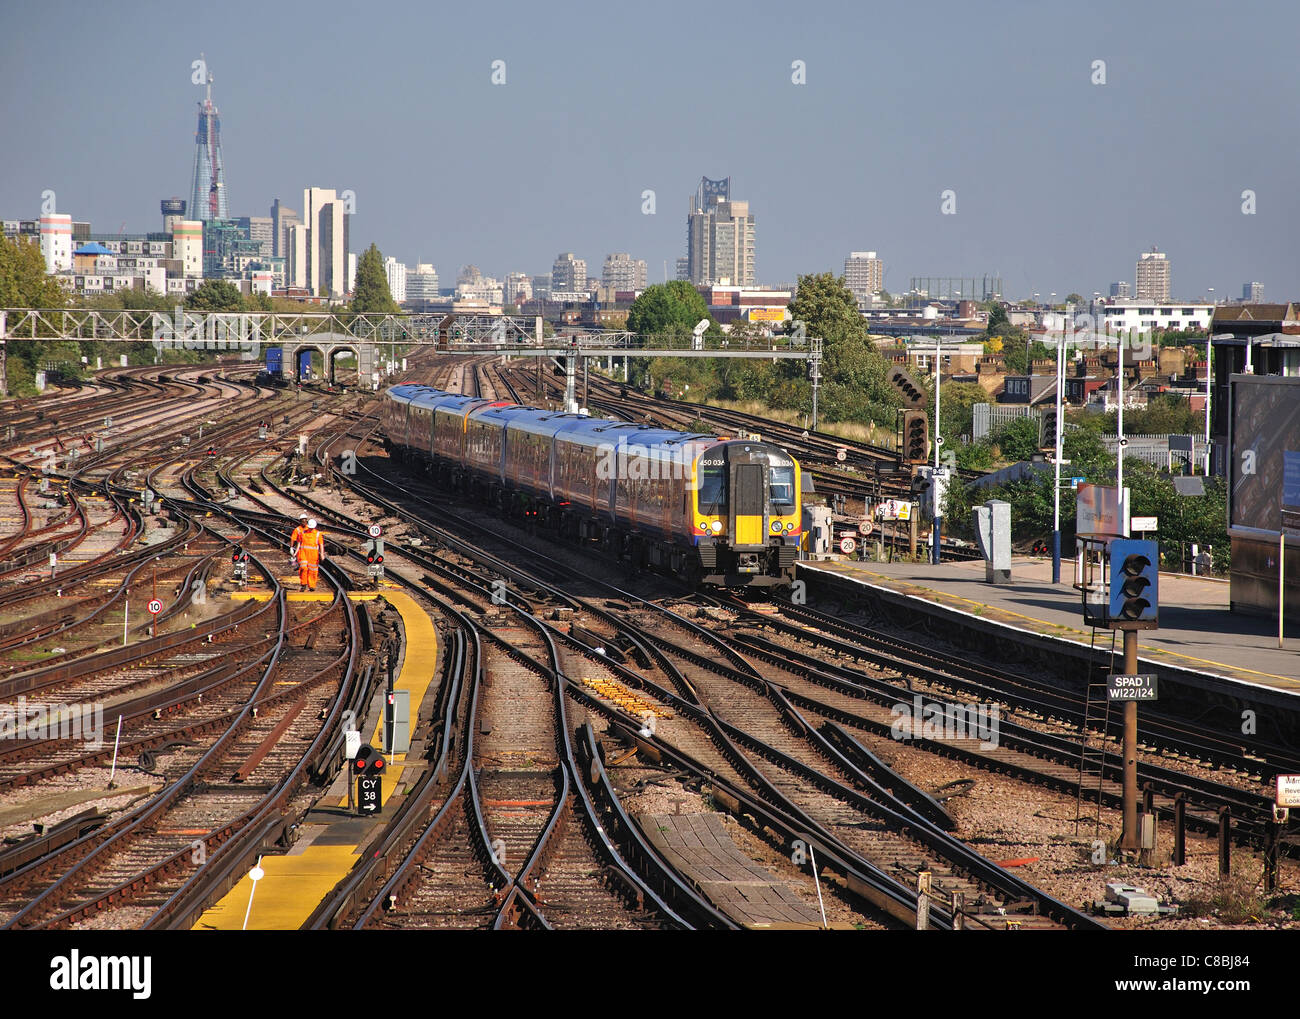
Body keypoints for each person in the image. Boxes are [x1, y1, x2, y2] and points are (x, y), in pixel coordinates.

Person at [291, 517, 324, 592]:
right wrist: (295, 553)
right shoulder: (303, 533)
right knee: (303, 568)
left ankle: (312, 586)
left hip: (313, 556)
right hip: (303, 554)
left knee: (312, 571)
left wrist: (322, 554)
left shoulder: (318, 534)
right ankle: (303, 584)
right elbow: (299, 543)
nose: (311, 529)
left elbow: (321, 545)